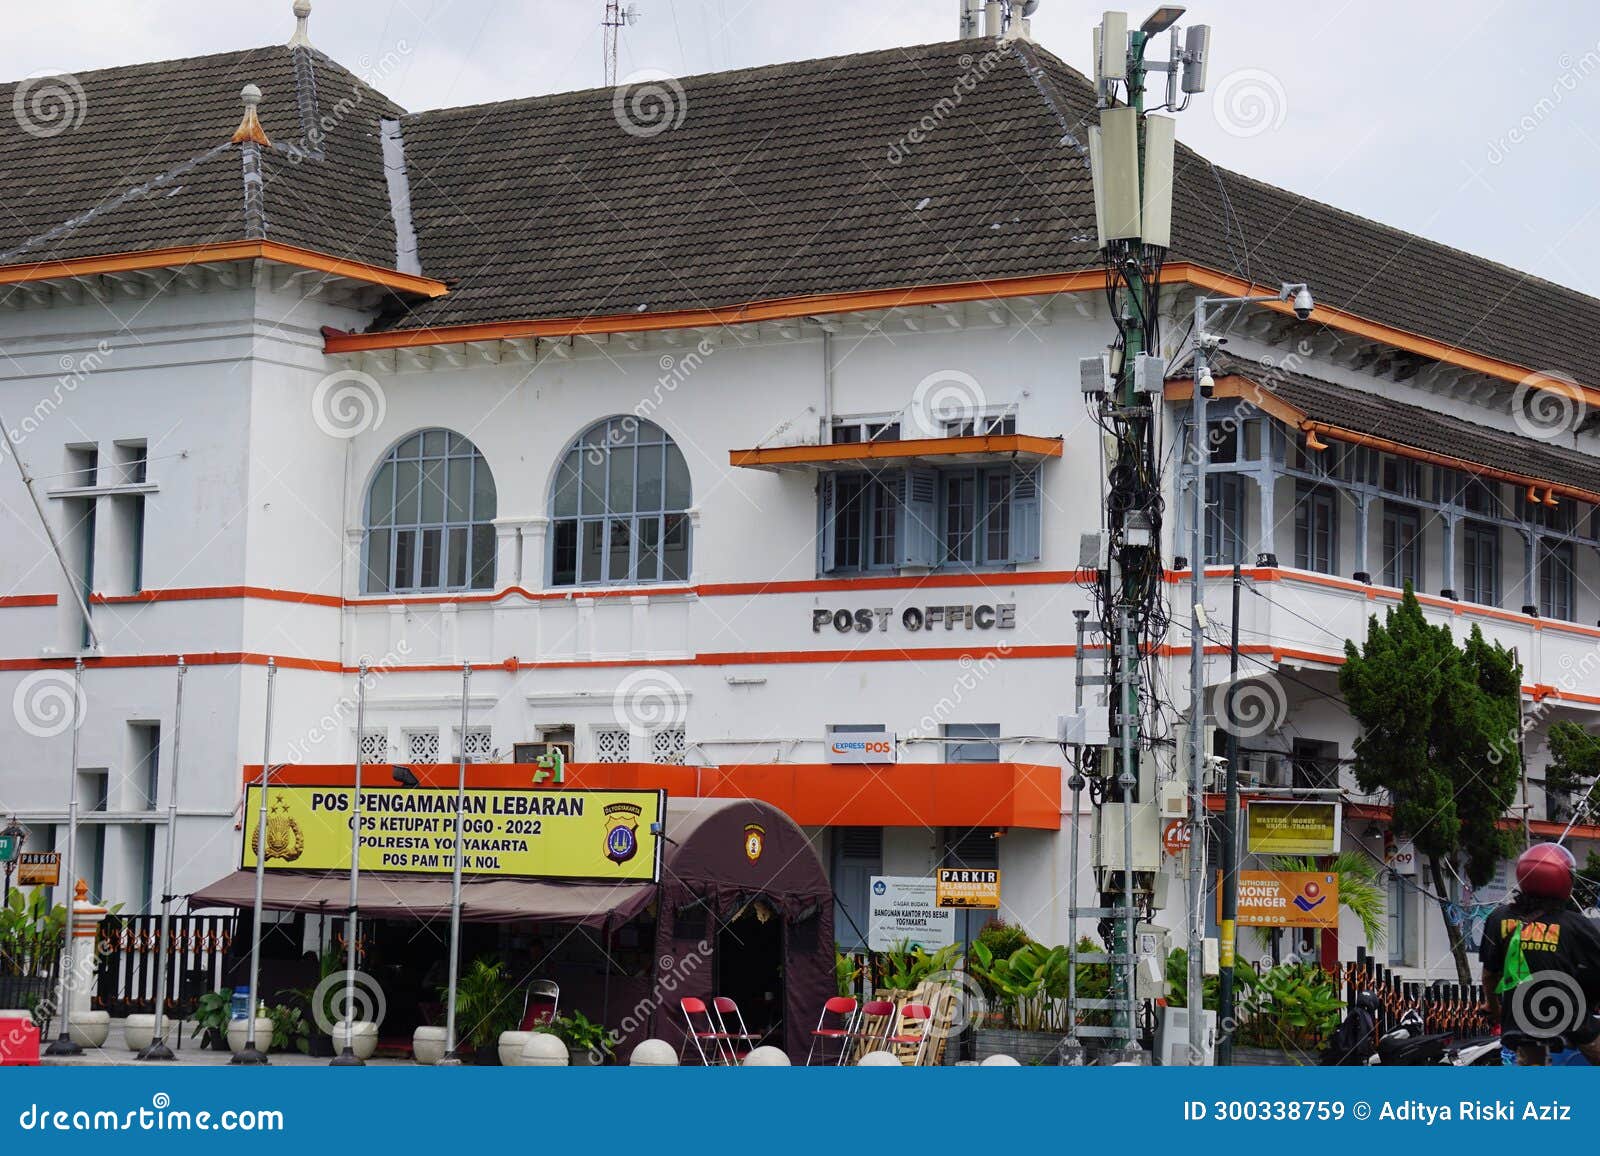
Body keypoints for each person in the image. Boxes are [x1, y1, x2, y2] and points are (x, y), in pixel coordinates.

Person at [1479, 842, 1600, 1065]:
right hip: (1566, 1014)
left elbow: (1489, 976)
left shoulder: (1498, 918)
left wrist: (1493, 1008)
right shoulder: (1574, 924)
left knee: (1532, 1066)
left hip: (1520, 1020)